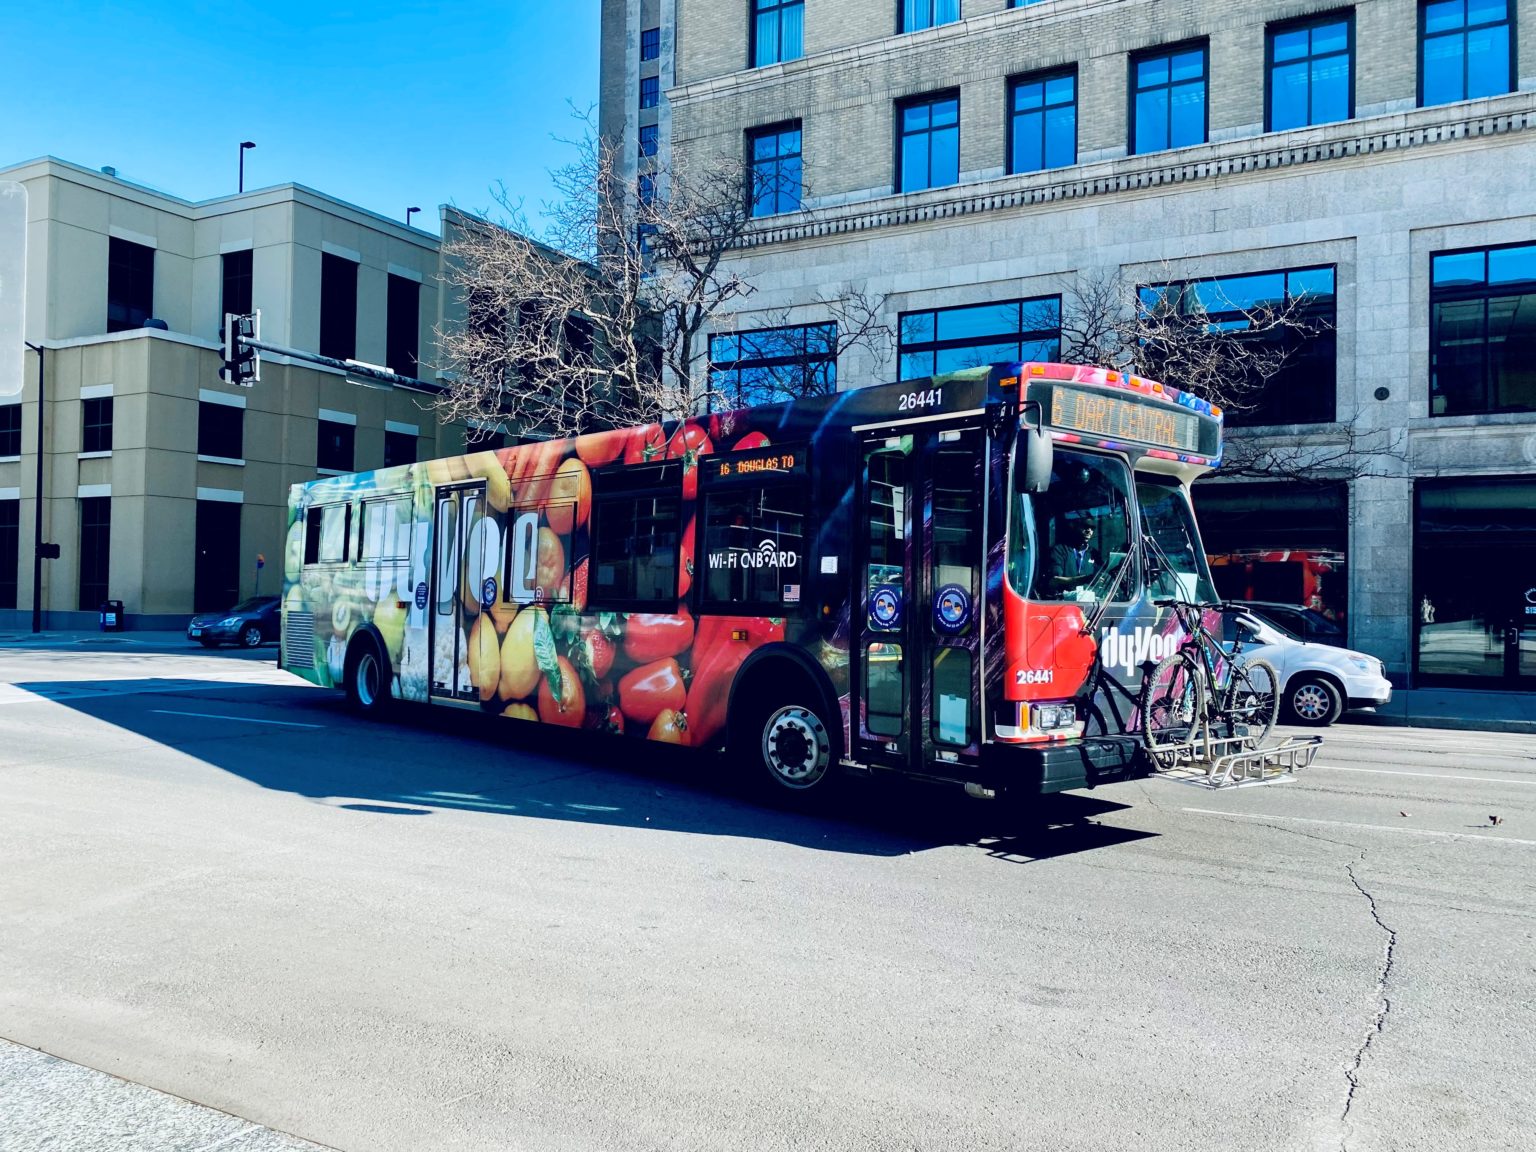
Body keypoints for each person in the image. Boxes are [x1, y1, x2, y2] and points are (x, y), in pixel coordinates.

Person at [1045, 518, 1099, 594]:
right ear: (1074, 526)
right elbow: (1054, 581)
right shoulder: (1059, 550)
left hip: (1088, 601)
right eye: (1085, 526)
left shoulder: (1093, 553)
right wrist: (1085, 579)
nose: (1089, 531)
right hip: (1064, 601)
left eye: (1092, 528)